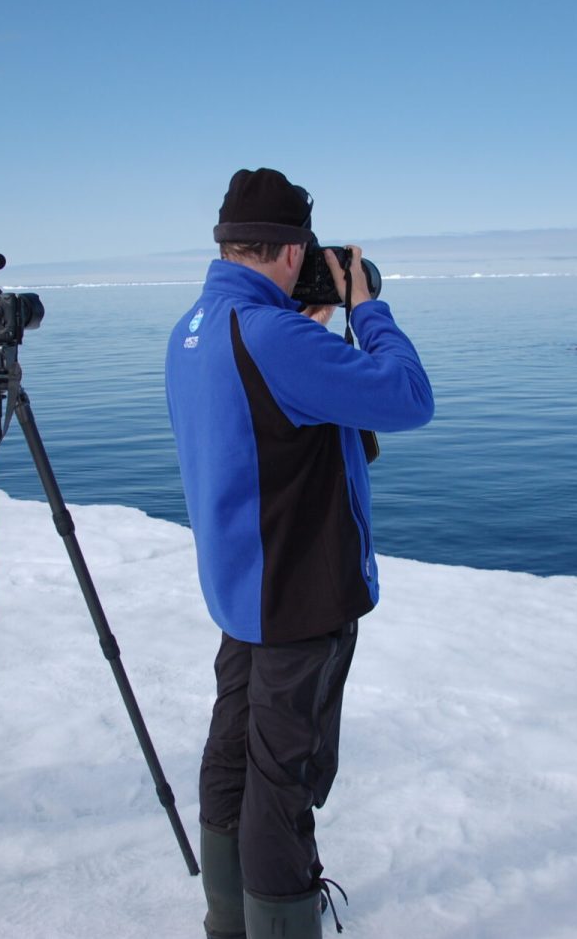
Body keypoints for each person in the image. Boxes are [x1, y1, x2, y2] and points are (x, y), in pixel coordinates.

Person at [165, 169, 434, 937]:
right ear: (290, 251)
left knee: (232, 754)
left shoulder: (194, 326)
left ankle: (229, 918)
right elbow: (409, 395)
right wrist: (368, 309)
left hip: (241, 586)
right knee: (283, 781)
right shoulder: (274, 337)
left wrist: (307, 333)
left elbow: (263, 431)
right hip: (298, 594)